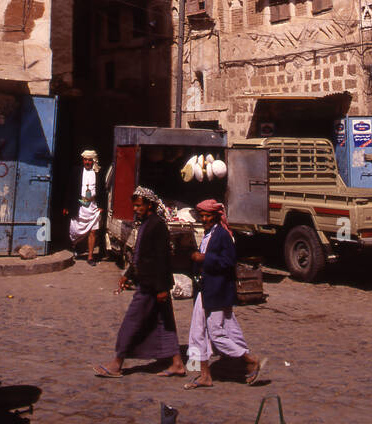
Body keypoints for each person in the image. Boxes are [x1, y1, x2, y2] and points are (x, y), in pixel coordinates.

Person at [94, 187, 185, 378]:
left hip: (152, 286)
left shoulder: (157, 225)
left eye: (139, 205)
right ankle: (177, 363)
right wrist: (128, 274)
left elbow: (161, 259)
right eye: (134, 206)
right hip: (150, 282)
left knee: (132, 321)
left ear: (149, 205)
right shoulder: (145, 224)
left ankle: (117, 363)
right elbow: (140, 254)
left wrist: (161, 289)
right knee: (165, 322)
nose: (135, 209)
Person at [186, 198, 263, 388]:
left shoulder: (222, 235)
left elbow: (228, 261)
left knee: (216, 333)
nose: (204, 219)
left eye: (207, 216)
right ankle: (205, 375)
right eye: (202, 216)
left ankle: (249, 360)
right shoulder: (208, 234)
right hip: (205, 290)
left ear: (215, 216)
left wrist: (204, 258)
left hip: (217, 291)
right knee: (198, 331)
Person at [64, 149, 104, 264]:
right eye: (85, 160)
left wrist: (102, 206)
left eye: (89, 160)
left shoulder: (98, 172)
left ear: (93, 161)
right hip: (79, 205)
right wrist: (66, 206)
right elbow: (70, 188)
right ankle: (75, 247)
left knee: (93, 232)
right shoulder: (76, 171)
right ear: (83, 160)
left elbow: (102, 190)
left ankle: (90, 257)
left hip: (93, 206)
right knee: (76, 230)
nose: (87, 162)